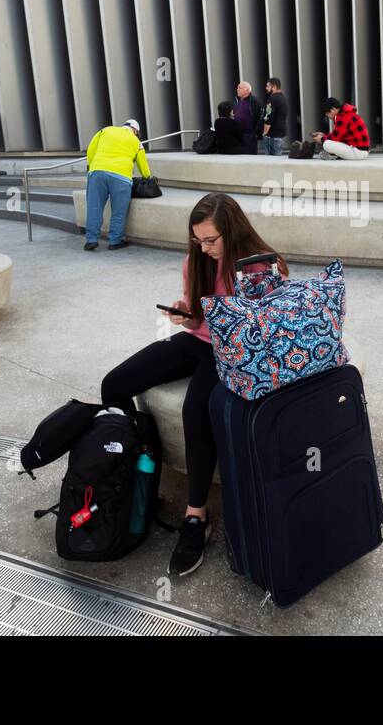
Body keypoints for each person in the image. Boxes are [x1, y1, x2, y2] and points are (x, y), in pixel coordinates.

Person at [100, 192, 286, 577]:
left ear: (232, 231)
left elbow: (267, 329)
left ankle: (196, 517)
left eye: (211, 240)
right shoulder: (196, 260)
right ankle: (138, 480)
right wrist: (185, 314)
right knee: (115, 384)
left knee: (196, 412)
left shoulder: (264, 267)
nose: (204, 248)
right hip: (199, 340)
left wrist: (205, 323)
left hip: (233, 352)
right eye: (197, 240)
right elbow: (196, 309)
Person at [83, 119, 151, 252]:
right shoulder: (136, 142)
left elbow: (91, 150)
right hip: (121, 178)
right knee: (119, 212)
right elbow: (143, 165)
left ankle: (91, 240)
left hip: (97, 173)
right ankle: (115, 241)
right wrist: (147, 177)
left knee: (94, 208)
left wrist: (92, 166)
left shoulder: (105, 130)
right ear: (135, 131)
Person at [260, 77, 288, 155]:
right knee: (277, 159)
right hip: (280, 133)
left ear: (274, 87)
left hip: (272, 135)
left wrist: (264, 133)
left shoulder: (272, 98)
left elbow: (268, 117)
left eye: (268, 86)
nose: (266, 88)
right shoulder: (283, 97)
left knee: (271, 160)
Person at [233, 82, 262, 155]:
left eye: (240, 88)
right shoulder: (237, 101)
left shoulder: (255, 102)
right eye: (237, 88)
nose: (237, 89)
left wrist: (255, 133)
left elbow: (260, 118)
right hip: (238, 136)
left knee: (249, 158)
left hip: (249, 136)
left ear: (247, 90)